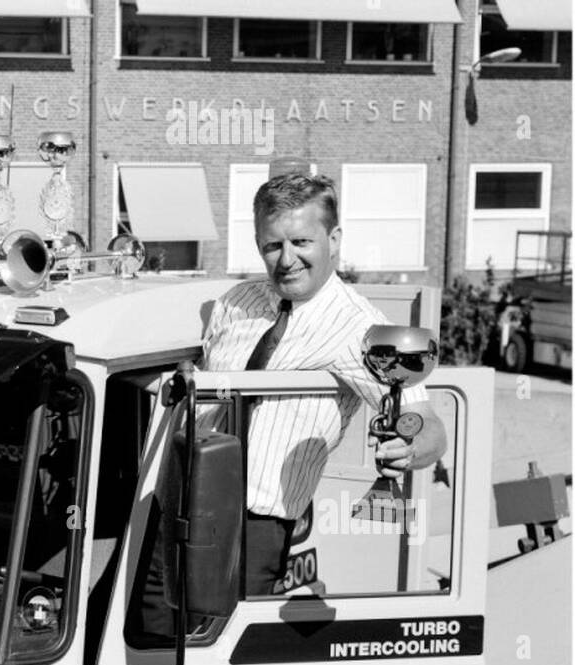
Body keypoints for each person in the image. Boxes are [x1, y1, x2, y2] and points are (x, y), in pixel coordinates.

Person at [140, 171, 446, 636]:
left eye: (301, 241)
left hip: (254, 532)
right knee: (148, 646)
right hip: (177, 505)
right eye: (271, 245)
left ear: (334, 238)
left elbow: (425, 422)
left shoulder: (359, 328)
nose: (286, 260)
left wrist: (410, 448)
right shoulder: (235, 303)